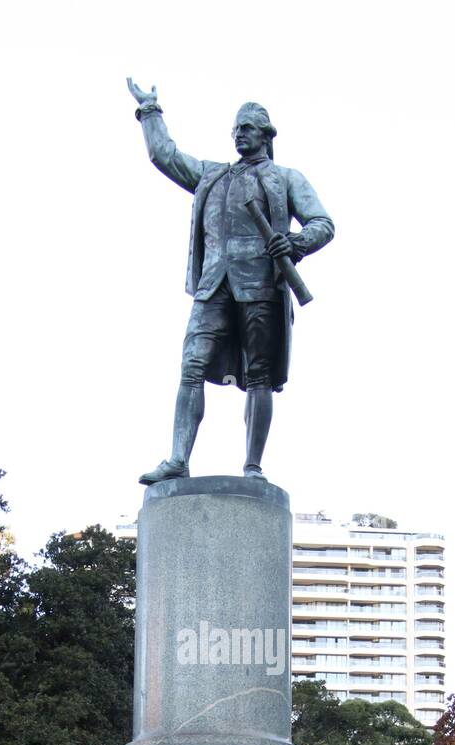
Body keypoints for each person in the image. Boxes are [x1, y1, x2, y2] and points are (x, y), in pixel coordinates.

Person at [127, 79, 334, 483]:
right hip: (213, 285)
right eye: (236, 128)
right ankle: (177, 459)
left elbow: (323, 224)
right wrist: (150, 111)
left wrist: (294, 242)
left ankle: (253, 466)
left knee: (261, 376)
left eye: (248, 128)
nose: (239, 134)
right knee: (191, 365)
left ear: (267, 136)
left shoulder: (286, 178)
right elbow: (164, 155)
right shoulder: (211, 175)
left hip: (261, 287)